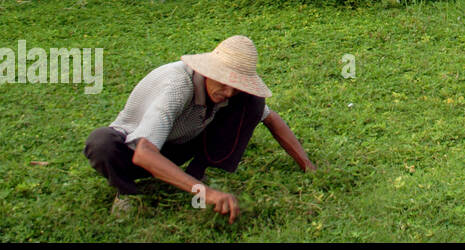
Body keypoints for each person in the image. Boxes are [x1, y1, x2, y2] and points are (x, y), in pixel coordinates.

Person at [84, 35, 315, 221]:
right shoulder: (177, 85)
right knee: (101, 142)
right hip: (134, 150)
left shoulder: (229, 92)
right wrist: (206, 193)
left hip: (179, 144)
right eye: (224, 83)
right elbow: (144, 152)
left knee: (253, 101)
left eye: (234, 86)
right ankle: (128, 193)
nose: (228, 92)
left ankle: (205, 172)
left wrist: (306, 164)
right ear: (209, 71)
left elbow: (271, 118)